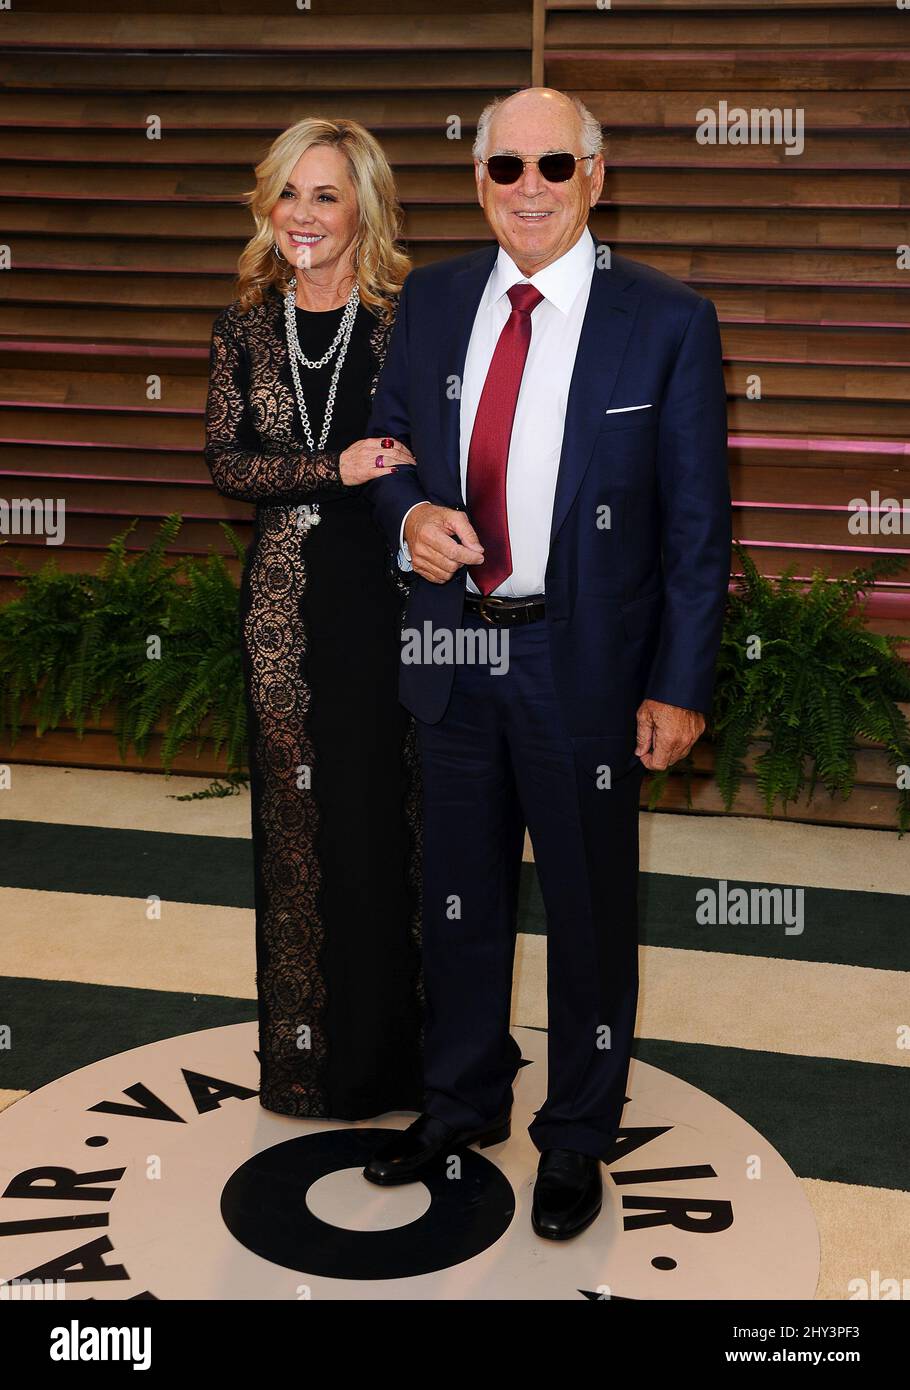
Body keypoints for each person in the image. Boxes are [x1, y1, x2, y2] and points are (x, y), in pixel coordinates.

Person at [362, 88, 732, 1239]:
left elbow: (695, 527)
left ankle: (576, 1131)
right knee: (455, 894)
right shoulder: (427, 301)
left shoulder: (666, 319)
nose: (529, 187)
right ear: (477, 181)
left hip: (587, 657)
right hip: (452, 636)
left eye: (554, 167)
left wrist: (676, 681)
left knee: (586, 906)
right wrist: (407, 514)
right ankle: (461, 1099)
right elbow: (385, 448)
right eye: (506, 166)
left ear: (596, 176)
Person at [203, 117, 425, 1121]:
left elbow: (435, 451)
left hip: (386, 605)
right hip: (284, 612)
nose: (303, 214)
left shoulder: (405, 320)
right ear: (266, 203)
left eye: (326, 193)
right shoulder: (244, 325)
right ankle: (303, 1066)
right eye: (288, 192)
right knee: (294, 831)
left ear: (362, 205)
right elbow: (229, 464)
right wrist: (332, 467)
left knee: (387, 822)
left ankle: (396, 1062)